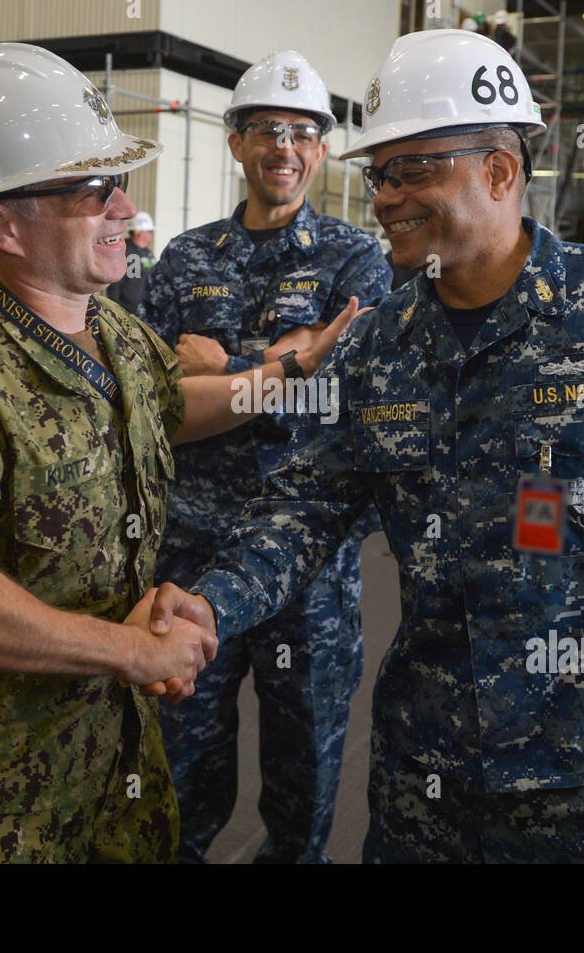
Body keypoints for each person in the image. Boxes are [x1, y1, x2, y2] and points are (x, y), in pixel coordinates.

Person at [143, 29, 584, 863]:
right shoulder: (379, 348)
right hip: (425, 772)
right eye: (379, 173)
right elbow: (306, 510)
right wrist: (209, 604)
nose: (383, 197)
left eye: (413, 170)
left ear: (500, 168)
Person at [0, 43, 362, 863]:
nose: (125, 208)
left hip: (111, 758)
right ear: (1, 222)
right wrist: (130, 648)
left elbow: (169, 406)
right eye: (93, 190)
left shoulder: (114, 330)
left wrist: (284, 373)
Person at [138, 49, 391, 864]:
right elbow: (161, 412)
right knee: (178, 778)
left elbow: (342, 398)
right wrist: (286, 361)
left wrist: (224, 372)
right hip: (192, 557)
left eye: (302, 133)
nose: (284, 147)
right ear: (235, 142)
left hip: (308, 569)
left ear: (320, 149)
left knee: (305, 782)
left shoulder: (360, 262)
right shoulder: (184, 257)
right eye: (266, 131)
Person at [103, 210, 155, 314]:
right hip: (129, 313)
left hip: (146, 311)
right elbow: (114, 284)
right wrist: (117, 312)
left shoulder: (147, 253)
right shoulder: (124, 251)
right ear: (140, 232)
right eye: (150, 231)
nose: (151, 235)